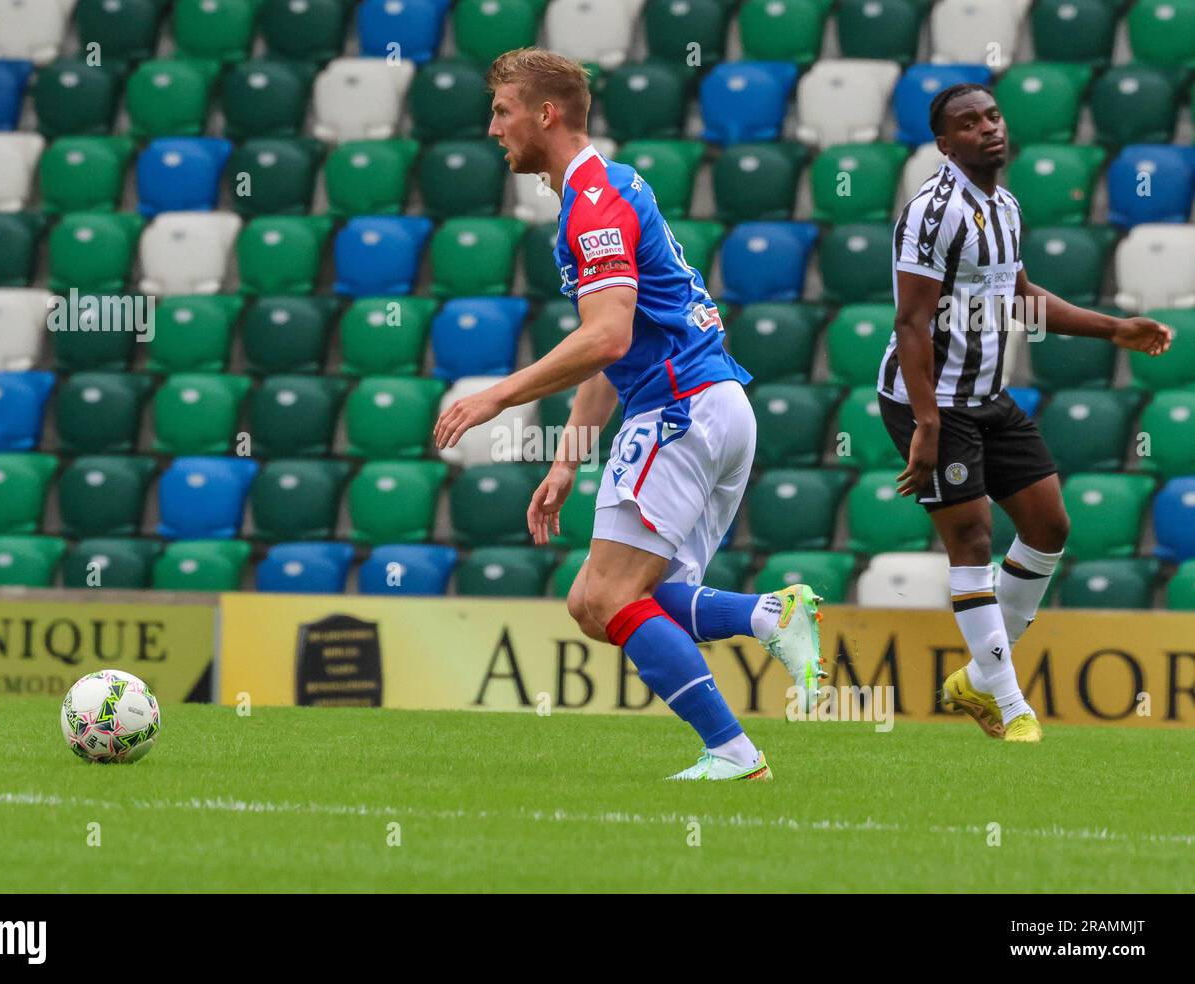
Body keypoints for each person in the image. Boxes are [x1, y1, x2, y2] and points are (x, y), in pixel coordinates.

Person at [433, 47, 825, 781]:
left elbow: (605, 336)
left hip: (680, 410)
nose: (493, 130)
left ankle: (735, 750)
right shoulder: (603, 189)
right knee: (601, 601)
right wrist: (566, 457)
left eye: (502, 111)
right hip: (705, 405)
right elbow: (613, 348)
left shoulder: (595, 204)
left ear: (545, 114)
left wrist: (496, 395)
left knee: (608, 596)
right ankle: (768, 620)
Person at [882, 83, 1172, 743]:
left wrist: (1112, 328)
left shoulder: (1005, 206)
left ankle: (978, 680)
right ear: (944, 143)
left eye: (992, 116)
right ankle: (1013, 708)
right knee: (974, 540)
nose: (987, 128)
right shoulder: (933, 212)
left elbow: (1019, 296)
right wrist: (925, 423)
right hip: (928, 398)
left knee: (1048, 526)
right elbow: (911, 322)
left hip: (987, 396)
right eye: (968, 122)